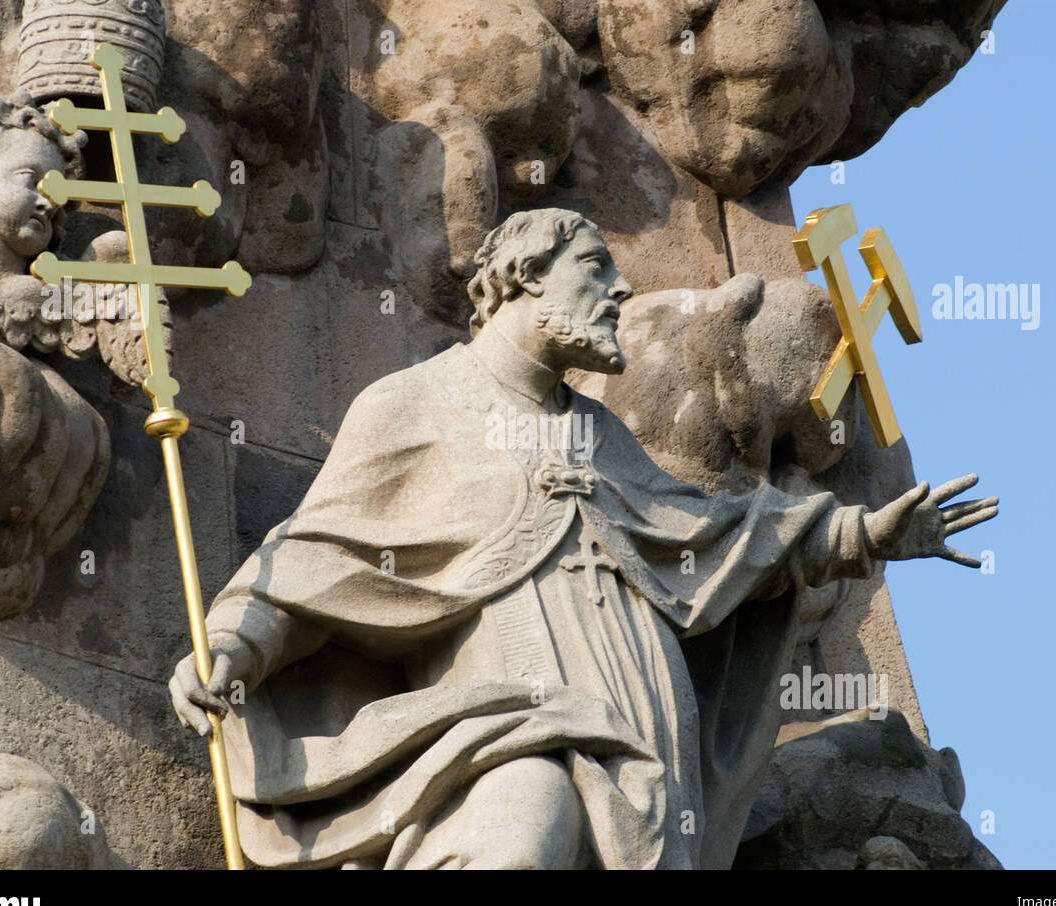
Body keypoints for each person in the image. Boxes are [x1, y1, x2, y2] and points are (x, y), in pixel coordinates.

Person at [169, 208, 997, 869]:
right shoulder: (415, 404)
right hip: (507, 718)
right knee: (520, 832)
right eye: (595, 268)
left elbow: (713, 542)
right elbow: (314, 560)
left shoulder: (600, 435)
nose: (622, 286)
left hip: (647, 732)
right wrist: (231, 651)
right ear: (526, 277)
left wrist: (864, 533)